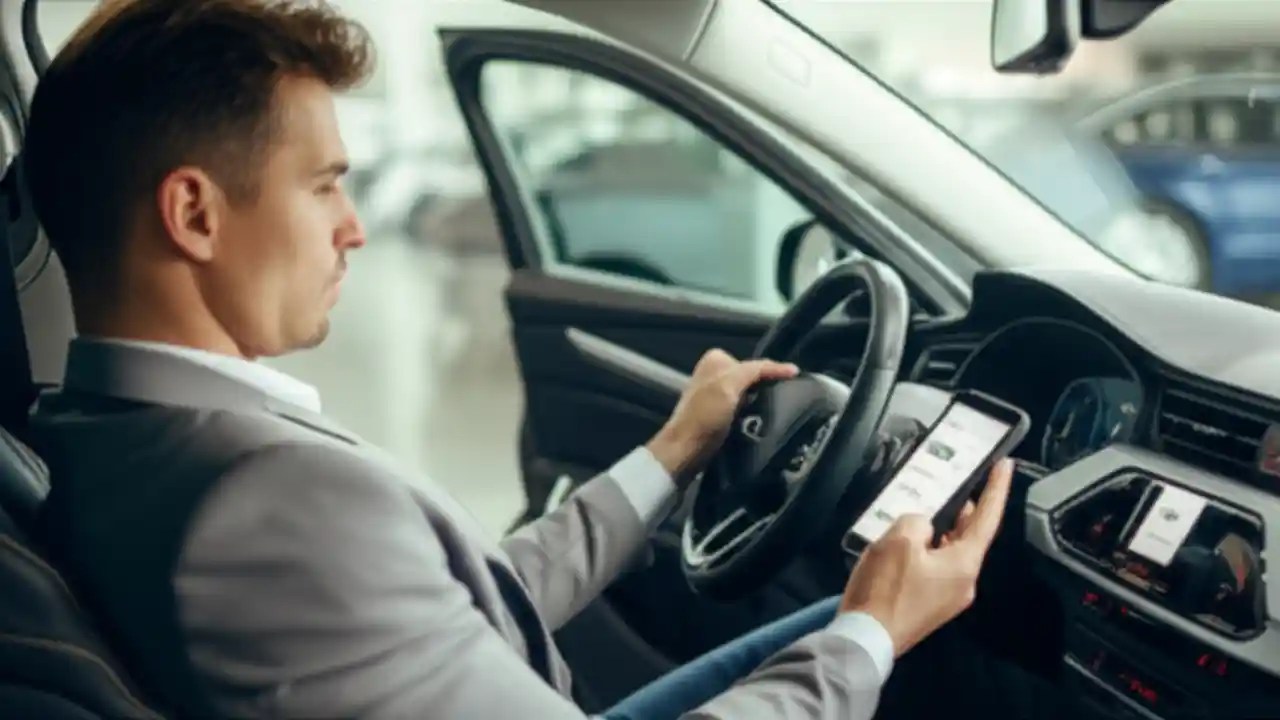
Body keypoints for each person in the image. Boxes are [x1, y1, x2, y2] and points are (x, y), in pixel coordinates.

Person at [23, 1, 1013, 719]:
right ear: (194, 213)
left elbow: (449, 607)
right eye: (324, 186)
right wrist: (866, 638)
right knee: (910, 649)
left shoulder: (103, 432)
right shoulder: (265, 505)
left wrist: (672, 455)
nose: (356, 229)